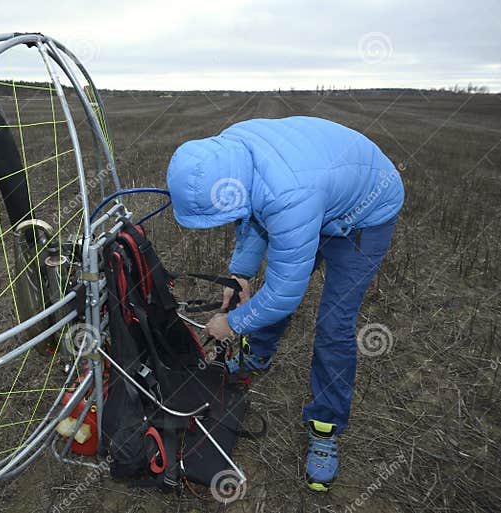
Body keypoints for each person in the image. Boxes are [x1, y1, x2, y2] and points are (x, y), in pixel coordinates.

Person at [166, 116, 404, 492]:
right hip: (317, 194)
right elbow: (251, 215)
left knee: (334, 324)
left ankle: (325, 428)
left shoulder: (289, 196)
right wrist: (240, 275)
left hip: (366, 214)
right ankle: (256, 355)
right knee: (266, 294)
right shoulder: (233, 153)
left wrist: (230, 324)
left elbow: (283, 293)